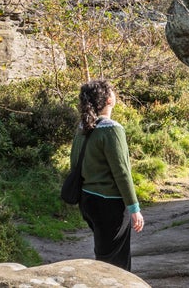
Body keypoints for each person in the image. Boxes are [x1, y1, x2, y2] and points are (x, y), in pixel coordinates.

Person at [70, 79, 144, 270]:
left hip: (87, 201)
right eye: (112, 91)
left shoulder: (83, 127)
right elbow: (122, 172)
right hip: (110, 204)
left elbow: (74, 163)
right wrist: (134, 208)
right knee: (116, 263)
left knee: (104, 255)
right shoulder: (112, 129)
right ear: (109, 100)